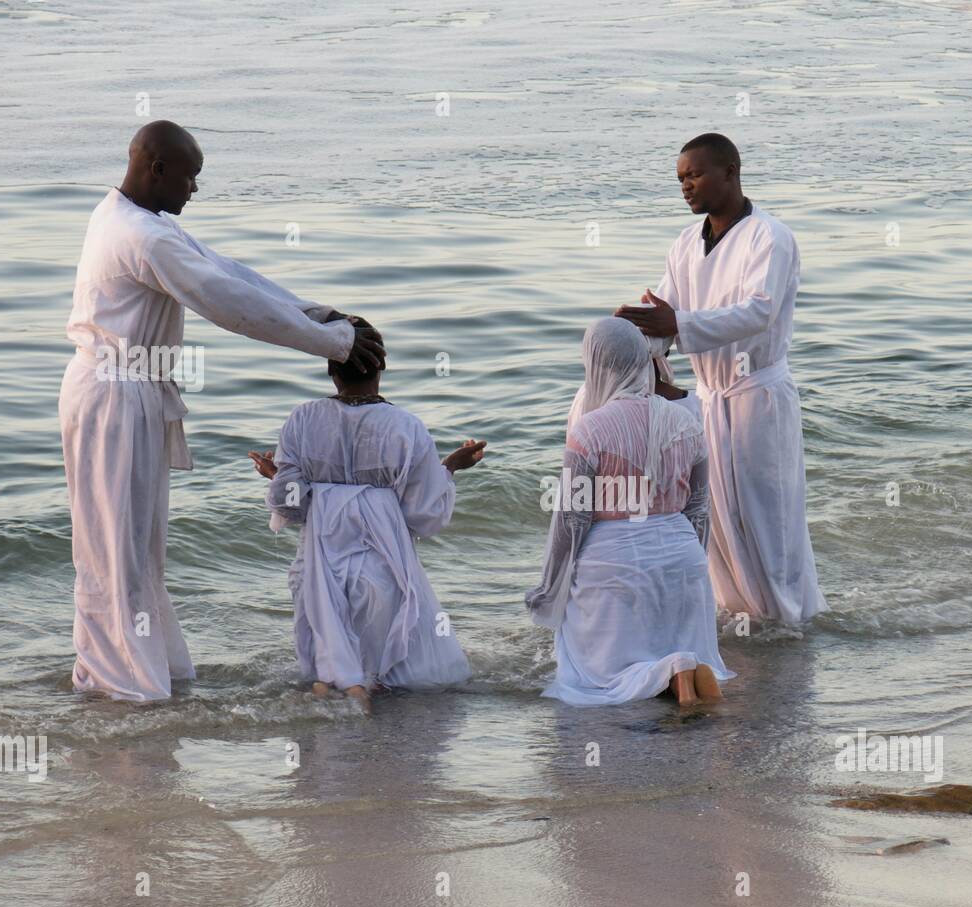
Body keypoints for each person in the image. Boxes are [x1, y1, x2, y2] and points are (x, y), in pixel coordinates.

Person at [60, 120, 385, 701]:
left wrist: (319, 316)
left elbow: (230, 273)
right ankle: (121, 685)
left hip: (131, 393)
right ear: (156, 169)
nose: (194, 190)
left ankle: (147, 674)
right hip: (111, 398)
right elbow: (226, 304)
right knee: (115, 552)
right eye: (190, 177)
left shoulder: (141, 222)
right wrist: (334, 344)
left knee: (138, 550)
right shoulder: (144, 237)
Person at [615, 132, 828, 625]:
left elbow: (760, 310)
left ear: (730, 171)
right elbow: (664, 311)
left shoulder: (768, 236)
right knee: (716, 521)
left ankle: (788, 620)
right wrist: (631, 328)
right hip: (709, 400)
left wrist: (679, 325)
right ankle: (737, 618)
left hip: (758, 397)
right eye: (680, 179)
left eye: (695, 175)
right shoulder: (686, 243)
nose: (685, 186)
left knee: (767, 518)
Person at [249, 355, 485, 707]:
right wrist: (450, 466)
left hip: (318, 562)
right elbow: (423, 512)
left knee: (327, 668)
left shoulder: (303, 419)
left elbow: (289, 504)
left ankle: (333, 711)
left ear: (331, 370)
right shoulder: (406, 425)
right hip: (381, 562)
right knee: (382, 680)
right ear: (381, 367)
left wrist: (276, 476)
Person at [526, 317, 732, 707]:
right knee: (659, 651)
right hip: (683, 561)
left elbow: (572, 520)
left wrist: (550, 587)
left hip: (617, 564)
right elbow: (700, 509)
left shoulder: (590, 429)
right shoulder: (686, 421)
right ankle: (682, 671)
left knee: (599, 680)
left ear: (596, 365)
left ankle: (669, 673)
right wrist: (688, 570)